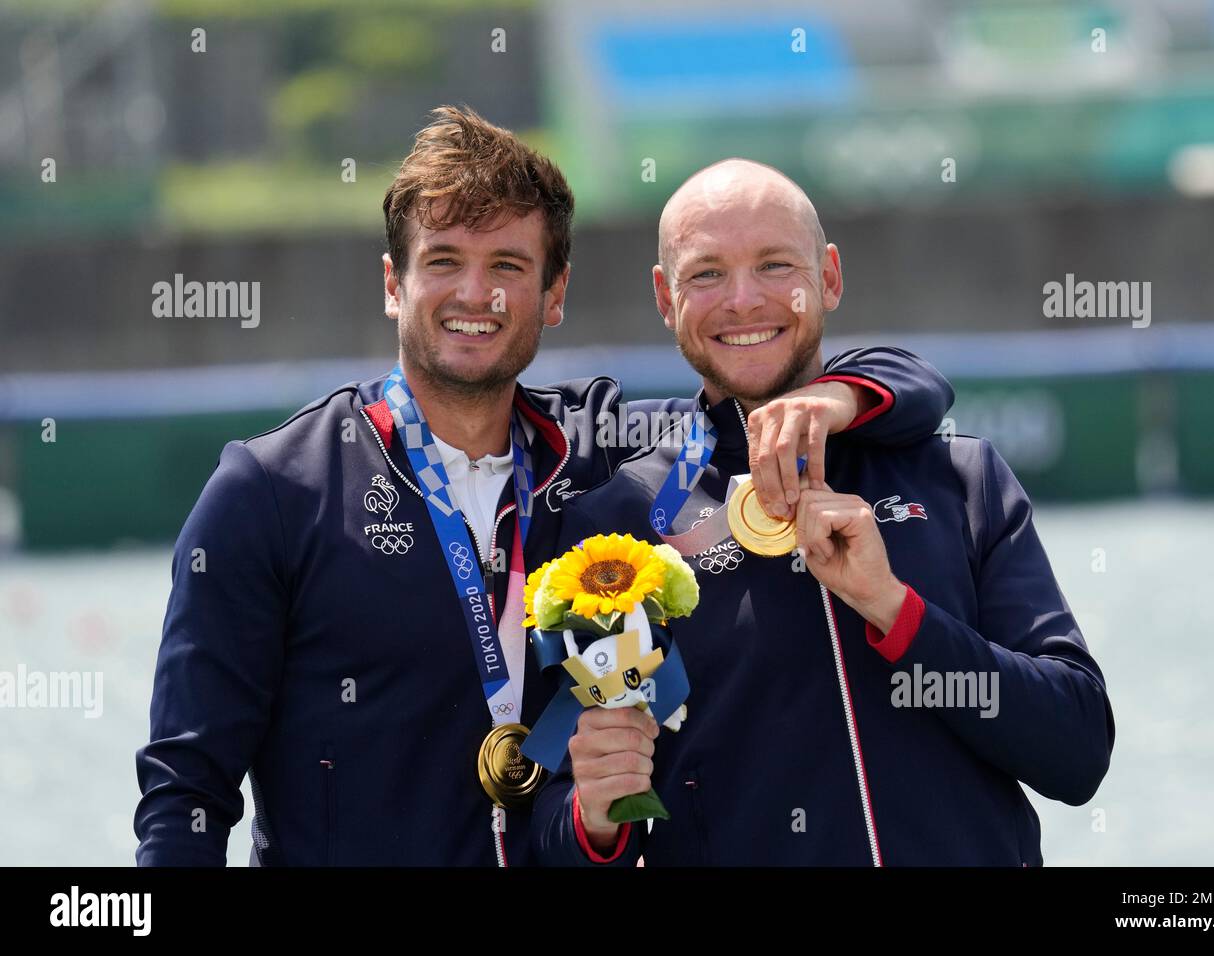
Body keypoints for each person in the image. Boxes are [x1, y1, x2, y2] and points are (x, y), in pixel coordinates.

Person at [133, 109, 955, 866]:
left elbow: (911, 384)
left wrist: (828, 400)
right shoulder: (272, 490)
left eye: (508, 266)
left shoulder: (607, 453)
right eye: (443, 262)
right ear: (394, 283)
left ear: (554, 293)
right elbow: (185, 796)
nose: (475, 294)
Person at [532, 158, 1115, 866]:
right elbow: (561, 818)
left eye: (775, 265)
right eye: (707, 273)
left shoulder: (960, 476)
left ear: (828, 277)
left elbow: (1078, 753)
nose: (743, 300)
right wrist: (595, 818)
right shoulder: (619, 528)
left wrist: (895, 611)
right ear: (665, 296)